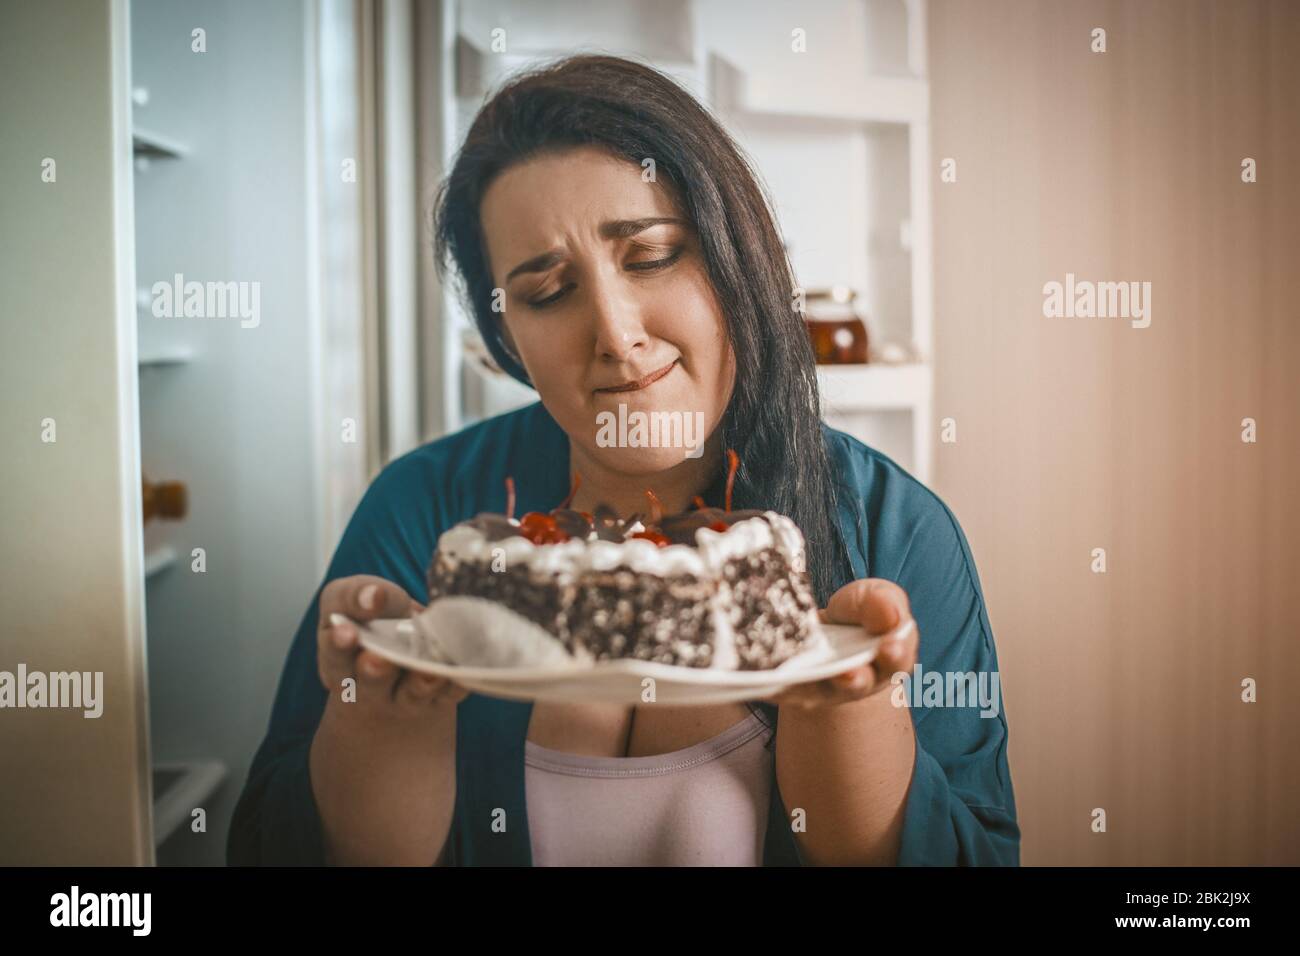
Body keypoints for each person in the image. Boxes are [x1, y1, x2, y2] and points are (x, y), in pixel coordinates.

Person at [227, 54, 1019, 867]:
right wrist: (378, 721)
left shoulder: (893, 530)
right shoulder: (423, 510)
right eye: (546, 292)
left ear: (732, 255)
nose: (614, 330)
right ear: (506, 339)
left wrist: (847, 716)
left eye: (650, 256)